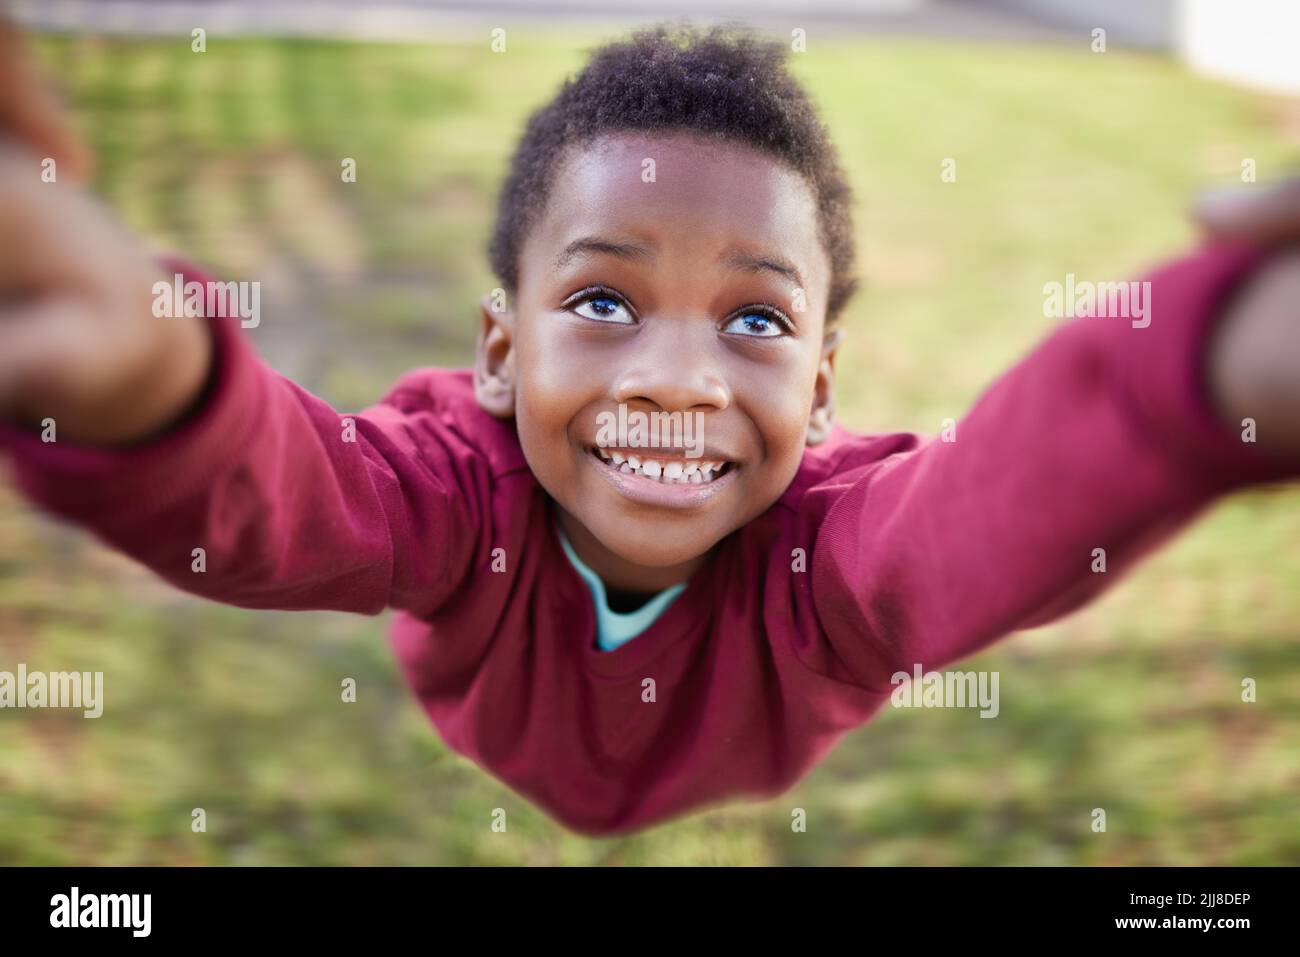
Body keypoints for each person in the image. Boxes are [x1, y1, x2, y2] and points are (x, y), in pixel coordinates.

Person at [1, 23, 1297, 835]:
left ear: (824, 388)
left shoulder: (826, 560)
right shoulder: (464, 492)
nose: (680, 378)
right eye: (605, 300)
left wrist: (1232, 357)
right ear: (502, 354)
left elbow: (1001, 503)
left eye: (756, 322)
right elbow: (281, 489)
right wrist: (149, 370)